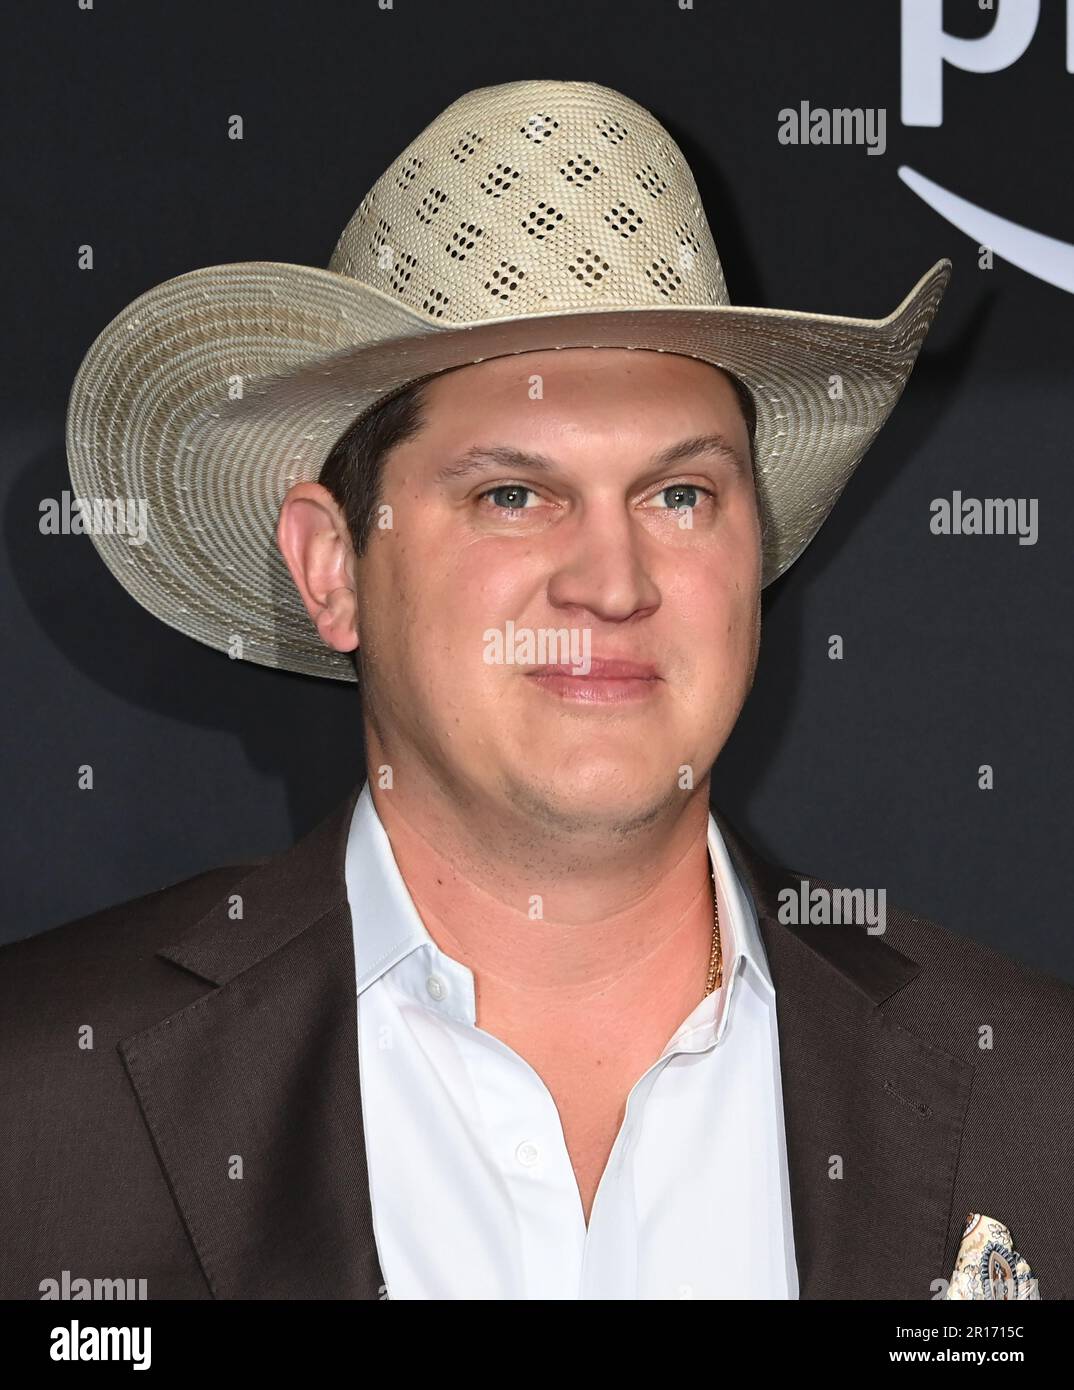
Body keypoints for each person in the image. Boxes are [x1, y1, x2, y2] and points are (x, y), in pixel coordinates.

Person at [3, 79, 1069, 1301]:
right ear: (333, 568)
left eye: (680, 495)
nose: (613, 583)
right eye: (513, 494)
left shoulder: (1038, 1105)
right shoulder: (38, 1103)